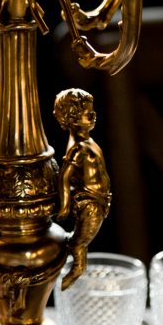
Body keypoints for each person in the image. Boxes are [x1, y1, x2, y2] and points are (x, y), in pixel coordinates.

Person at [52, 87, 111, 287]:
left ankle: (70, 267)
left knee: (81, 240)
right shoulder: (78, 147)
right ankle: (72, 271)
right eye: (86, 112)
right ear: (72, 117)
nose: (92, 114)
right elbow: (64, 176)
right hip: (89, 203)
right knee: (80, 242)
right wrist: (65, 206)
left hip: (99, 200)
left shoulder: (88, 142)